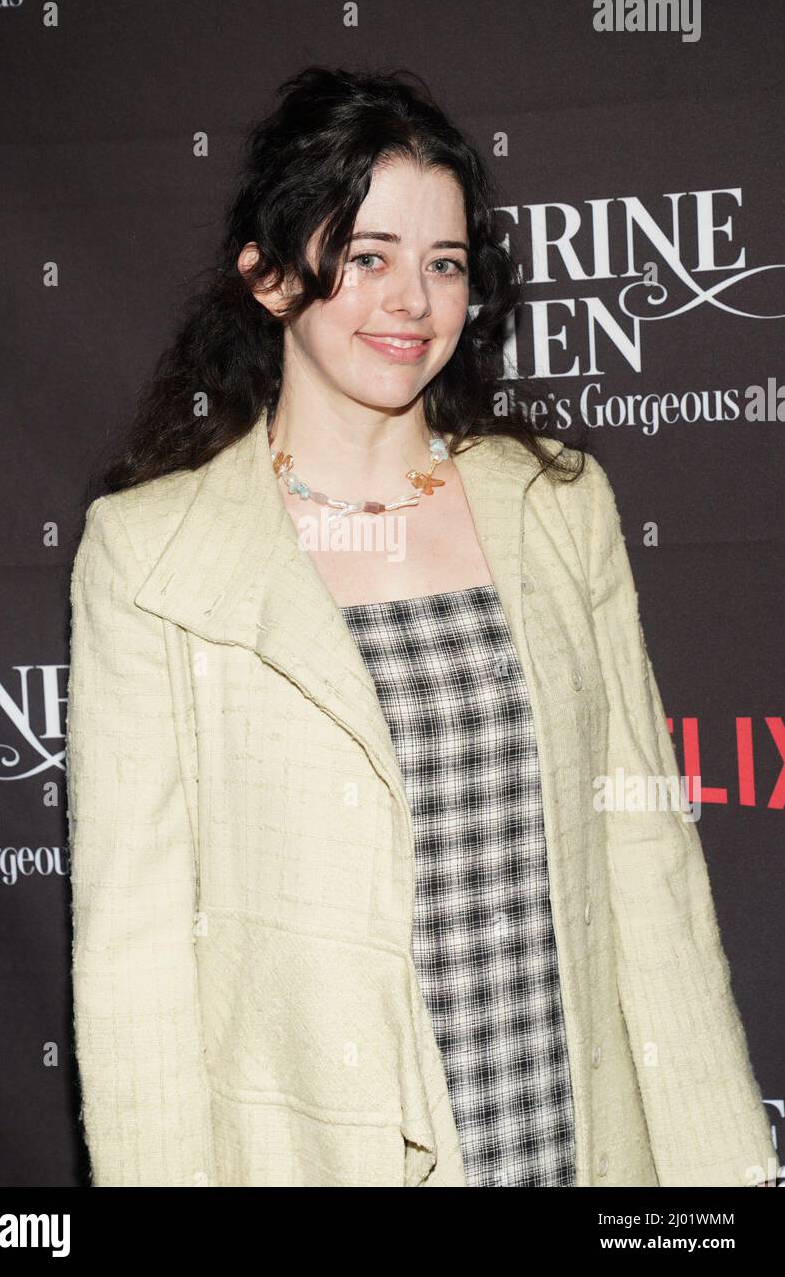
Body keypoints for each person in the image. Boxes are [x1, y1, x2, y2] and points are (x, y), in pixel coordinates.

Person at [66, 65, 778, 1187]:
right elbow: (134, 958)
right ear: (265, 275)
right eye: (365, 255)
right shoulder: (151, 558)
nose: (410, 299)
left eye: (442, 263)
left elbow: (646, 866)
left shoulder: (555, 509)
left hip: (569, 1143)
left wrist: (722, 1184)